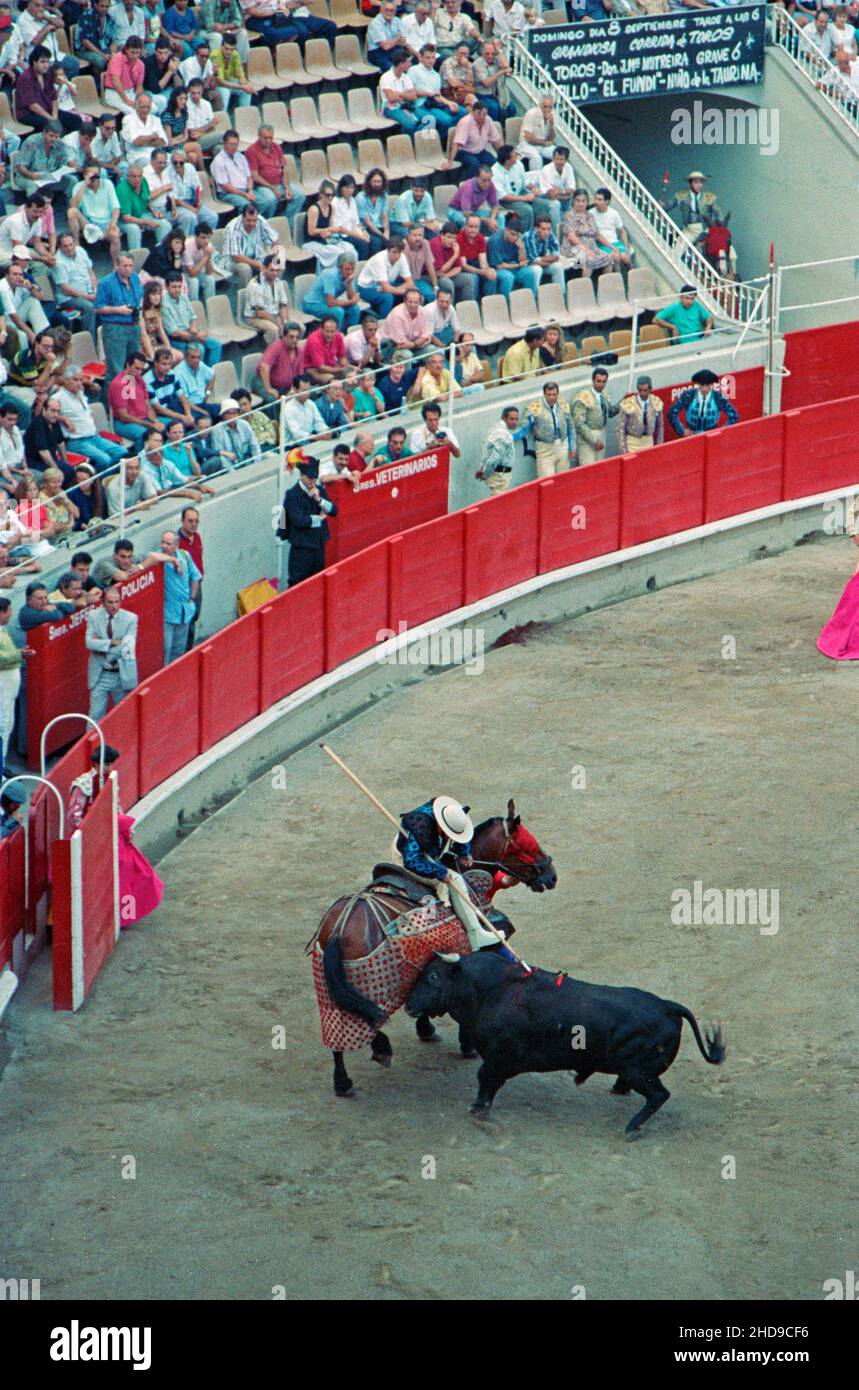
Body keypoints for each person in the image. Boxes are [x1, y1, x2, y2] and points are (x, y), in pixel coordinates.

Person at [395, 796, 497, 950]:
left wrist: (465, 852)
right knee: (454, 879)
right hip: (406, 856)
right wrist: (439, 872)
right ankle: (474, 933)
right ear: (441, 826)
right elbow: (411, 861)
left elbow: (460, 833)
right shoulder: (420, 827)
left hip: (429, 851)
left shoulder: (452, 813)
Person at [278, 449, 337, 588]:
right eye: (310, 478)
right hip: (301, 548)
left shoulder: (319, 491)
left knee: (317, 582)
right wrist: (320, 518)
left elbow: (334, 510)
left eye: (315, 478)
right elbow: (299, 520)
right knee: (297, 584)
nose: (313, 481)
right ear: (301, 475)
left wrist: (319, 500)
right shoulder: (292, 495)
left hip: (318, 545)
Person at [53, 368, 128, 471]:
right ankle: (99, 484)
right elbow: (47, 415)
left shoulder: (80, 393)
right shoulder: (58, 398)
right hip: (76, 441)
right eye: (75, 380)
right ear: (66, 380)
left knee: (122, 452)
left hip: (93, 437)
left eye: (80, 380)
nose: (79, 383)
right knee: (105, 460)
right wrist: (63, 418)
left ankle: (109, 479)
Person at [85, 583, 138, 720]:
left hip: (121, 675)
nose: (114, 606)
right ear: (103, 602)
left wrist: (102, 648)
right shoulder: (93, 616)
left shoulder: (131, 618)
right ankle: (95, 743)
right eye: (110, 602)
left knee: (122, 717)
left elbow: (127, 647)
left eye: (117, 602)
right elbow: (89, 643)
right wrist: (111, 643)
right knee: (94, 716)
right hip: (100, 675)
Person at [94, 254, 144, 387]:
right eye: (124, 266)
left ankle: (129, 399)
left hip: (133, 325)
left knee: (133, 367)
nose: (128, 269)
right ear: (116, 266)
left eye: (130, 266)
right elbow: (98, 308)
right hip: (115, 327)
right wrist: (117, 310)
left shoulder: (134, 278)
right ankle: (113, 405)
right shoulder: (106, 283)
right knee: (116, 370)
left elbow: (140, 296)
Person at [244, 122, 303, 226]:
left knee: (299, 195)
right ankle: (266, 224)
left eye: (270, 138)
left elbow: (284, 169)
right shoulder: (251, 150)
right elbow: (254, 175)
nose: (268, 140)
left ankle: (285, 223)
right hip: (261, 186)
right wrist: (272, 188)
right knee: (271, 200)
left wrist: (287, 187)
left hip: (279, 184)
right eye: (265, 138)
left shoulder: (276, 147)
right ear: (259, 136)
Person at [160, 270, 222, 367]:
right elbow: (173, 332)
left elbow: (192, 317)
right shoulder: (164, 303)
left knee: (216, 345)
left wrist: (193, 328)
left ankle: (209, 374)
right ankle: (195, 377)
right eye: (174, 287)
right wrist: (196, 336)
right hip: (176, 339)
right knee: (199, 349)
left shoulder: (183, 297)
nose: (177, 290)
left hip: (189, 333)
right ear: (167, 287)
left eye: (179, 287)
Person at [0, 599, 32, 775]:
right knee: (3, 725)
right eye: (9, 611)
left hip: (7, 689)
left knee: (7, 725)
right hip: (2, 688)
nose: (11, 614)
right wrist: (21, 653)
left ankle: (2, 765)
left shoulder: (2, 630)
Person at [160, 526, 200, 662]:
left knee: (179, 650)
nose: (164, 546)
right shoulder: (159, 560)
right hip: (167, 614)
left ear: (176, 545)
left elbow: (195, 577)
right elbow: (152, 556)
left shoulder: (185, 555)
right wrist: (173, 561)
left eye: (168, 544)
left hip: (184, 611)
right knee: (165, 650)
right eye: (163, 542)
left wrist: (191, 598)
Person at [660, 171, 724, 252]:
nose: (699, 185)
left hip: (705, 229)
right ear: (690, 183)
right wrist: (663, 205)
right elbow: (670, 204)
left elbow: (718, 213)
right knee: (678, 250)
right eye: (695, 182)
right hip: (690, 229)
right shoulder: (682, 194)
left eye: (700, 182)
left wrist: (716, 226)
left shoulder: (709, 197)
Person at [521, 381, 576, 476]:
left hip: (563, 445)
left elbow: (571, 427)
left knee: (563, 479)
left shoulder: (563, 404)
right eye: (548, 394)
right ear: (544, 394)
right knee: (546, 480)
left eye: (554, 394)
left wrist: (573, 447)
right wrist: (530, 420)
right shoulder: (535, 407)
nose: (551, 397)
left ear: (558, 394)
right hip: (544, 448)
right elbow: (523, 424)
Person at [50, 230, 98, 338]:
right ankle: (89, 342)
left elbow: (91, 272)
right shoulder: (58, 262)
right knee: (90, 307)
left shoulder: (81, 251)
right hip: (68, 299)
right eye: (65, 246)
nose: (69, 248)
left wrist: (94, 290)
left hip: (88, 291)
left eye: (71, 244)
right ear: (60, 247)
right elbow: (66, 290)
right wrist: (89, 297)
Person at [667, 369, 740, 436]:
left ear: (712, 385)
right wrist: (682, 431)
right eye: (702, 385)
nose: (704, 389)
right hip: (691, 436)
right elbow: (672, 413)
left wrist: (721, 431)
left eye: (707, 385)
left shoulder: (718, 397)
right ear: (698, 384)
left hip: (712, 436)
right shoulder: (689, 395)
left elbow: (734, 416)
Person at [572, 366, 620, 465]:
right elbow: (579, 424)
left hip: (601, 433)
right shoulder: (583, 396)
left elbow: (610, 413)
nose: (601, 384)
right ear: (593, 380)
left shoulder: (604, 394)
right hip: (587, 437)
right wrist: (593, 440)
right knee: (587, 467)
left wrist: (623, 401)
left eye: (604, 382)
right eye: (598, 381)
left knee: (599, 467)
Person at [356, 239, 415, 320]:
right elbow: (386, 289)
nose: (397, 255)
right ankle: (384, 323)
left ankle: (404, 319)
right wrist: (403, 291)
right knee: (388, 297)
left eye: (399, 252)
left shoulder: (402, 257)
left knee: (414, 290)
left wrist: (398, 290)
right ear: (388, 250)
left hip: (385, 285)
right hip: (366, 288)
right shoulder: (379, 260)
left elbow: (409, 283)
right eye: (394, 252)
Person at [108, 349, 157, 446]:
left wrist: (156, 421)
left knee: (170, 426)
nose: (139, 372)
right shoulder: (119, 384)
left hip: (143, 419)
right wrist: (149, 425)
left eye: (142, 369)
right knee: (144, 434)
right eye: (137, 368)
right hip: (124, 423)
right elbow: (124, 416)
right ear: (127, 365)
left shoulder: (139, 378)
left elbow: (147, 403)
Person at [486, 215, 540, 301]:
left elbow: (523, 261)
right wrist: (517, 265)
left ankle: (529, 302)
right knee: (508, 277)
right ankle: (505, 304)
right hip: (496, 269)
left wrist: (521, 248)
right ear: (506, 230)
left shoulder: (517, 240)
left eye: (517, 235)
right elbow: (498, 265)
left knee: (530, 273)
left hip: (512, 266)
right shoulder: (495, 240)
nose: (514, 237)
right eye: (512, 234)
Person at [302, 255, 360, 334]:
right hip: (312, 304)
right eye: (347, 269)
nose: (350, 272)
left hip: (327, 303)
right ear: (339, 268)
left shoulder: (349, 275)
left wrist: (349, 285)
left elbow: (352, 299)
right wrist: (351, 302)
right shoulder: (330, 275)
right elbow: (331, 303)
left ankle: (350, 336)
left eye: (352, 269)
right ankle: (336, 338)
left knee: (355, 308)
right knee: (338, 311)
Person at [475, 404, 526, 495]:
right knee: (499, 502)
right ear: (503, 418)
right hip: (500, 475)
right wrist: (485, 473)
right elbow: (495, 458)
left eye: (516, 419)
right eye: (512, 419)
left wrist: (483, 468)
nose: (515, 422)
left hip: (498, 473)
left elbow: (488, 453)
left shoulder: (496, 428)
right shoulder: (504, 434)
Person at [560, 189, 613, 275]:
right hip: (573, 249)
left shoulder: (590, 216)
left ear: (587, 202)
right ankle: (584, 286)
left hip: (591, 248)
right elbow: (571, 237)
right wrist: (587, 250)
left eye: (583, 201)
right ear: (573, 201)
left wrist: (612, 248)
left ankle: (605, 285)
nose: (581, 204)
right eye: (578, 201)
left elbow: (597, 235)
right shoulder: (569, 215)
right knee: (589, 259)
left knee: (609, 257)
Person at [532, 146, 576, 234]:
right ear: (553, 158)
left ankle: (572, 235)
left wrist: (561, 191)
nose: (559, 162)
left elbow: (572, 190)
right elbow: (551, 195)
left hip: (561, 198)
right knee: (556, 204)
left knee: (576, 202)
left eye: (562, 159)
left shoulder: (568, 167)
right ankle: (557, 236)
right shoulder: (546, 169)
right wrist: (565, 193)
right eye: (557, 159)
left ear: (566, 160)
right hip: (541, 199)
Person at [452, 102, 502, 180]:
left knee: (494, 162)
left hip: (480, 152)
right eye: (478, 113)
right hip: (464, 152)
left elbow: (495, 140)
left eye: (484, 114)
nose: (482, 117)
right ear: (473, 112)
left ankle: (492, 185)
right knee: (474, 164)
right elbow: (457, 143)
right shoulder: (465, 122)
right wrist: (449, 161)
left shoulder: (488, 120)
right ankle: (469, 186)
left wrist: (502, 156)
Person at [208, 397, 260, 470]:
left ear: (238, 414)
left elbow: (254, 445)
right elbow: (221, 455)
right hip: (228, 466)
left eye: (234, 413)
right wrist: (232, 472)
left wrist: (257, 464)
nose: (231, 416)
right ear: (223, 415)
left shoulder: (245, 425)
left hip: (247, 460)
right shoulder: (216, 430)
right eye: (228, 413)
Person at [617, 375, 664, 454]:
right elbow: (621, 429)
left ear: (650, 389)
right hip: (632, 444)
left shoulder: (656, 402)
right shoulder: (629, 403)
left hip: (649, 443)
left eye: (645, 390)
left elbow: (660, 426)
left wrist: (659, 445)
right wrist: (624, 451)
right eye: (640, 390)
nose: (642, 393)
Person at [590, 188, 633, 269]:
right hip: (601, 244)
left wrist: (625, 245)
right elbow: (596, 236)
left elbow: (622, 231)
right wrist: (612, 248)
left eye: (599, 199)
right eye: (595, 199)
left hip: (615, 242)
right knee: (616, 257)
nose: (596, 202)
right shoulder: (591, 214)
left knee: (626, 258)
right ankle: (617, 279)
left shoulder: (614, 213)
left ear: (607, 201)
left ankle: (632, 277)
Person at [301, 317, 350, 387]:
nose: (329, 335)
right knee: (332, 380)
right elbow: (320, 367)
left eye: (332, 332)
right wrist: (340, 370)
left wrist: (347, 367)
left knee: (351, 375)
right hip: (313, 369)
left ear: (337, 330)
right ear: (321, 329)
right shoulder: (314, 340)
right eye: (327, 331)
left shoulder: (338, 336)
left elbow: (341, 357)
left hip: (331, 365)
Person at [282, 376, 329, 446]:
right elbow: (297, 434)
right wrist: (317, 437)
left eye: (308, 390)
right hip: (291, 447)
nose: (307, 393)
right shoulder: (288, 408)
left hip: (309, 442)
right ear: (294, 390)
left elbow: (319, 423)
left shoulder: (310, 403)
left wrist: (326, 431)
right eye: (303, 390)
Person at [517, 95, 557, 170]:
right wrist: (544, 143)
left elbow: (551, 139)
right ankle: (536, 181)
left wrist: (551, 125)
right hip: (526, 144)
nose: (548, 109)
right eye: (545, 107)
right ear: (540, 106)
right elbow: (528, 138)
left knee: (557, 154)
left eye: (550, 107)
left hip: (542, 145)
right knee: (536, 158)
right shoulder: (531, 113)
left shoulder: (552, 115)